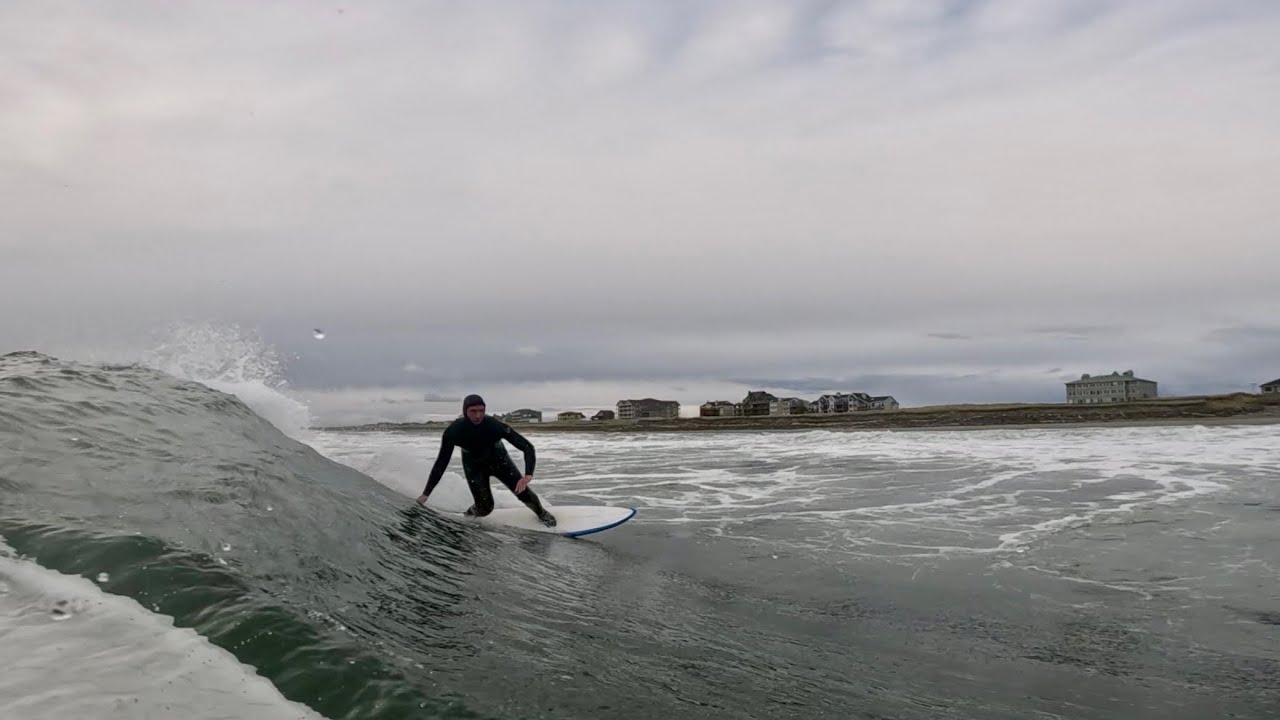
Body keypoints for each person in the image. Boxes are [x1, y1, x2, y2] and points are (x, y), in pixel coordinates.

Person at [416, 394, 557, 527]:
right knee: (485, 508)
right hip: (474, 465)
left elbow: (527, 447)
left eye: (481, 410)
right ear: (465, 411)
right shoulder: (453, 432)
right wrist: (426, 494)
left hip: (499, 460)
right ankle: (469, 514)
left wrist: (528, 475)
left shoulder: (494, 425)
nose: (478, 415)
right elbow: (441, 463)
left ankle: (542, 514)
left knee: (524, 493)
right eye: (473, 411)